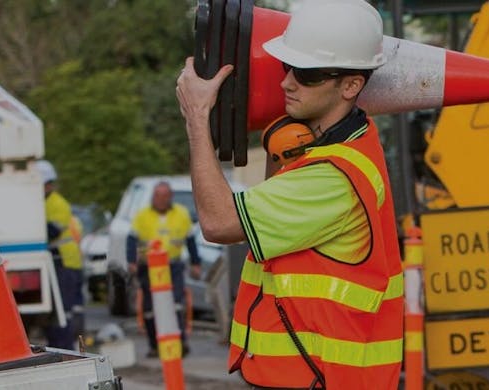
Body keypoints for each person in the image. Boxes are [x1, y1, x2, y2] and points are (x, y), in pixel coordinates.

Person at [176, 0, 403, 388]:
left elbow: (218, 222)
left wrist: (197, 117)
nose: (286, 82)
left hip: (318, 380)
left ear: (351, 85)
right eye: (286, 67)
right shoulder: (350, 144)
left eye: (306, 73)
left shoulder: (332, 177)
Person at [126, 181, 201, 358]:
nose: (160, 200)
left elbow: (190, 241)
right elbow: (131, 239)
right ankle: (154, 346)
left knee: (175, 305)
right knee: (150, 309)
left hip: (172, 266)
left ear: (170, 197)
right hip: (149, 267)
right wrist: (132, 262)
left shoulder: (181, 214)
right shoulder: (142, 216)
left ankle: (180, 343)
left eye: (164, 196)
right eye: (157, 196)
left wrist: (195, 263)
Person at [35, 159, 84, 350]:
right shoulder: (41, 202)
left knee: (63, 312)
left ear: (47, 185)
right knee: (54, 312)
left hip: (64, 263)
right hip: (56, 262)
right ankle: (59, 347)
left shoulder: (58, 204)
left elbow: (50, 232)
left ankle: (66, 350)